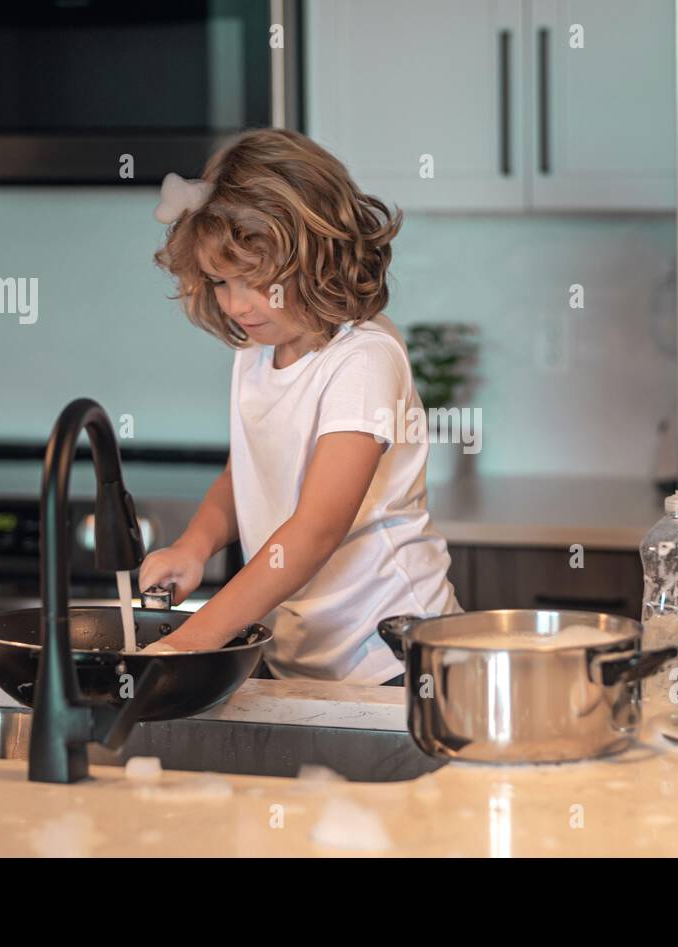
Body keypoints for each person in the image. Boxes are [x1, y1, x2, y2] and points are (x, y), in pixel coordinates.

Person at [137, 128, 461, 685]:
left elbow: (314, 531)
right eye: (220, 281)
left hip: (393, 657)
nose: (237, 305)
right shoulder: (257, 350)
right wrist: (195, 544)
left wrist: (192, 640)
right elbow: (250, 470)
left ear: (321, 255)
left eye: (257, 281)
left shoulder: (362, 360)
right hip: (303, 656)